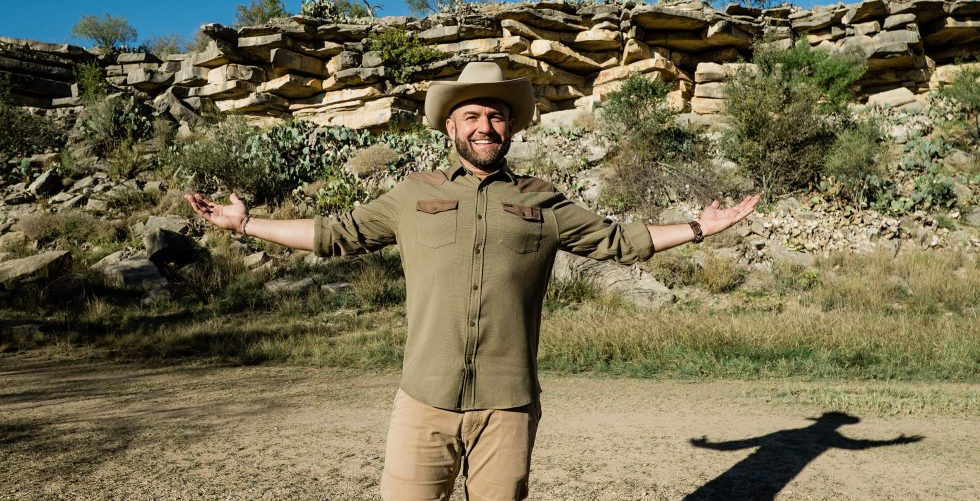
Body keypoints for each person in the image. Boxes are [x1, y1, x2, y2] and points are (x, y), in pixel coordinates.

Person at [185, 61, 760, 501]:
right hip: (424, 400)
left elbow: (617, 240)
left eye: (495, 115)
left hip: (507, 405)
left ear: (508, 125)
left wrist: (697, 227)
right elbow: (336, 233)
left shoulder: (542, 199)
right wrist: (247, 223)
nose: (485, 126)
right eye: (472, 116)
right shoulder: (413, 194)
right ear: (450, 127)